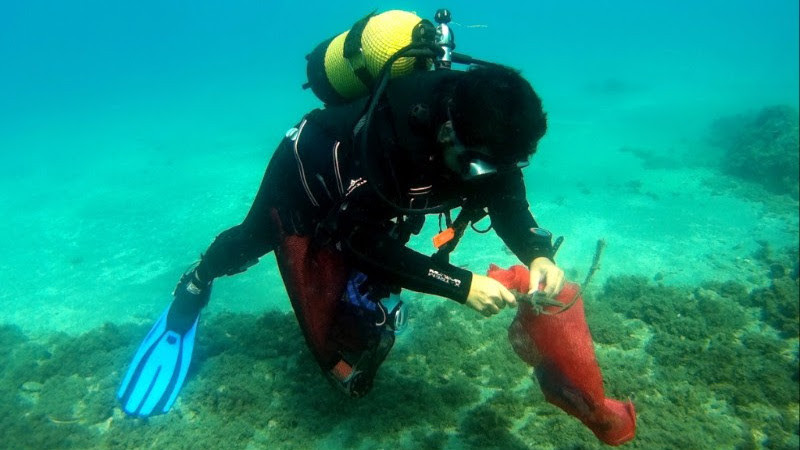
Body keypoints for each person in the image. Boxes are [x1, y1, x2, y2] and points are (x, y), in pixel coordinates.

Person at [116, 63, 565, 417]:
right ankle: (197, 280)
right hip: (306, 172)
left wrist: (536, 252)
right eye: (480, 166)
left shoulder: (482, 132)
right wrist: (460, 285)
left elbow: (502, 190)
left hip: (372, 197)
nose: (485, 178)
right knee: (255, 236)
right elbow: (361, 241)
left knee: (368, 281)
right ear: (448, 133)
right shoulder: (395, 144)